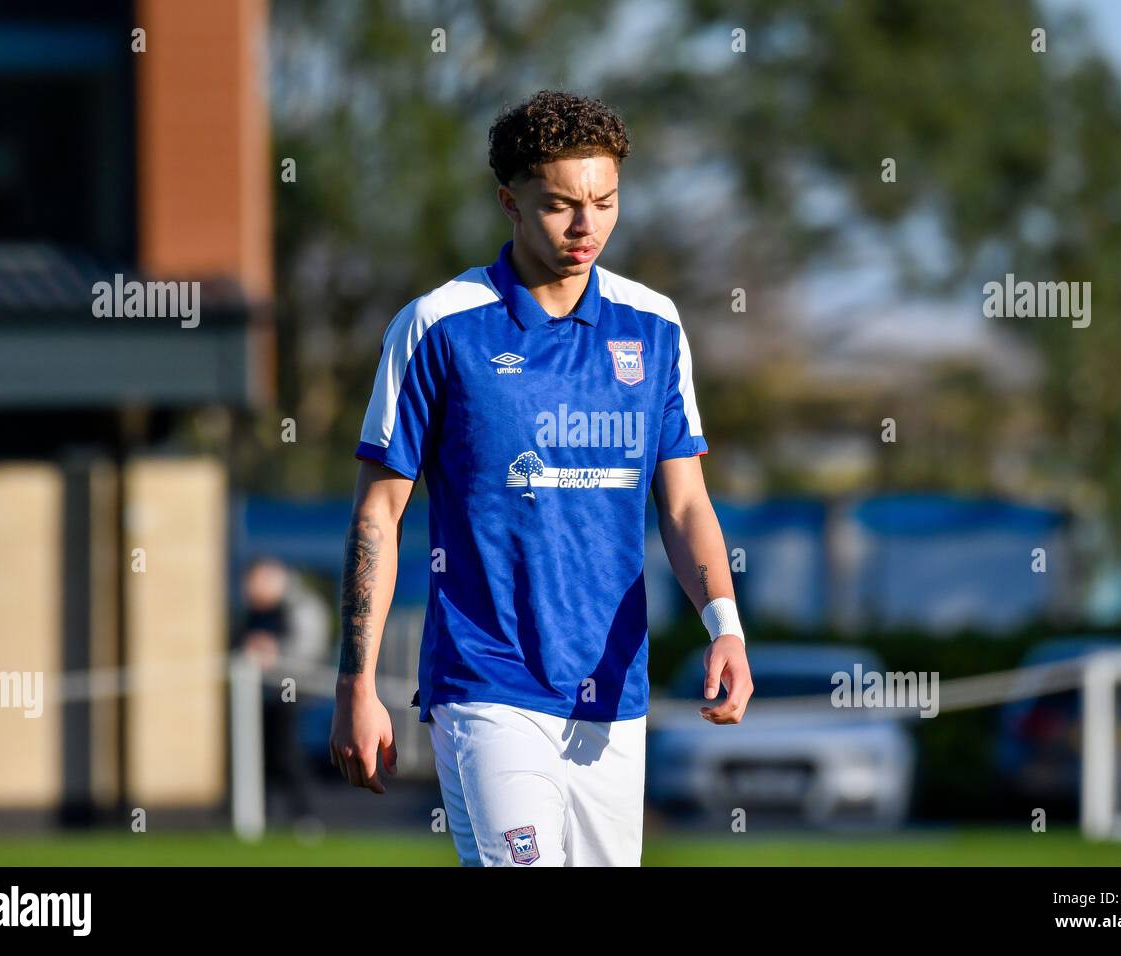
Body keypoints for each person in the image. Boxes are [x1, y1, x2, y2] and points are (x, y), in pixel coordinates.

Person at [329, 89, 754, 866]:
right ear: (510, 203)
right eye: (560, 206)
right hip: (487, 685)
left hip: (613, 693)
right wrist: (356, 685)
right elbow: (377, 519)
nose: (586, 226)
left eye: (604, 202)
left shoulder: (654, 326)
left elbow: (686, 502)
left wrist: (724, 626)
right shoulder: (438, 325)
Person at [239, 557, 329, 832]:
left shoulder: (301, 606)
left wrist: (273, 654)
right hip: (260, 692)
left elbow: (307, 651)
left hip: (291, 692)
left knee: (287, 751)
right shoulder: (258, 610)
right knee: (258, 752)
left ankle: (305, 817)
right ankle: (256, 817)